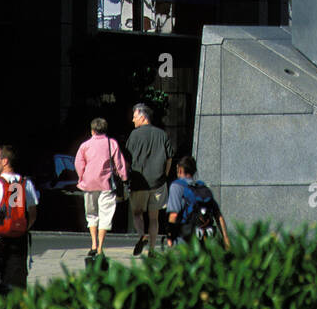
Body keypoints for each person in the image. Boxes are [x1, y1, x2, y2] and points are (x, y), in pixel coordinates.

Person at [0, 145, 39, 291]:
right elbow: (32, 214)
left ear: (4, 161)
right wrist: (20, 227)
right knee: (16, 287)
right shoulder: (25, 184)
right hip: (19, 241)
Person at [74, 117, 127, 261]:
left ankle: (93, 243)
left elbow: (78, 164)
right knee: (105, 214)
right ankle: (100, 247)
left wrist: (82, 177)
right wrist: (124, 178)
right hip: (106, 184)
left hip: (89, 183)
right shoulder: (112, 143)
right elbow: (119, 164)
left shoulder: (85, 145)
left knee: (91, 214)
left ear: (92, 131)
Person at [125, 103, 173, 255]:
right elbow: (169, 158)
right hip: (158, 182)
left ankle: (142, 235)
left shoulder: (134, 135)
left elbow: (127, 158)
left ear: (142, 117)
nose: (133, 120)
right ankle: (152, 249)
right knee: (154, 218)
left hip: (139, 182)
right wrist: (164, 175)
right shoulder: (162, 134)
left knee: (137, 213)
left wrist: (126, 177)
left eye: (134, 117)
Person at [166, 155, 230, 249]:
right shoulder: (202, 187)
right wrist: (226, 239)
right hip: (204, 237)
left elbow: (173, 215)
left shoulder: (176, 186)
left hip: (185, 239)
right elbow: (218, 215)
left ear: (180, 170)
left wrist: (170, 238)